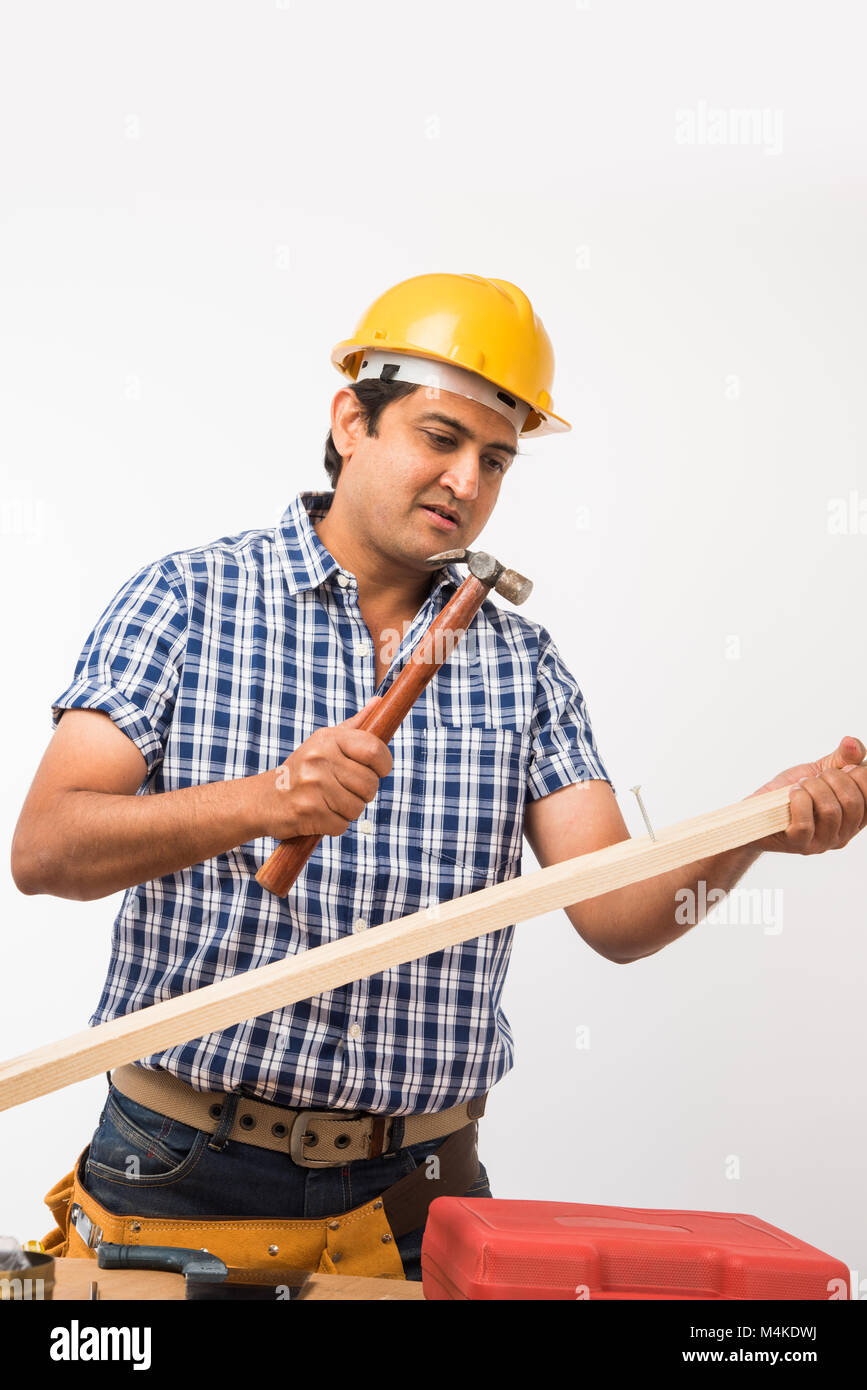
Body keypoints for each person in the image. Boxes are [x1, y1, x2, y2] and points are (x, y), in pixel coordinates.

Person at [11, 273, 867, 1283]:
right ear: (350, 421)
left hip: (418, 1192)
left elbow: (615, 912)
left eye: (496, 459)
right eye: (440, 437)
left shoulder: (521, 663)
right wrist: (267, 800)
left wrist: (756, 824)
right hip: (176, 1174)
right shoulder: (188, 599)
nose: (467, 481)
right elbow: (48, 848)